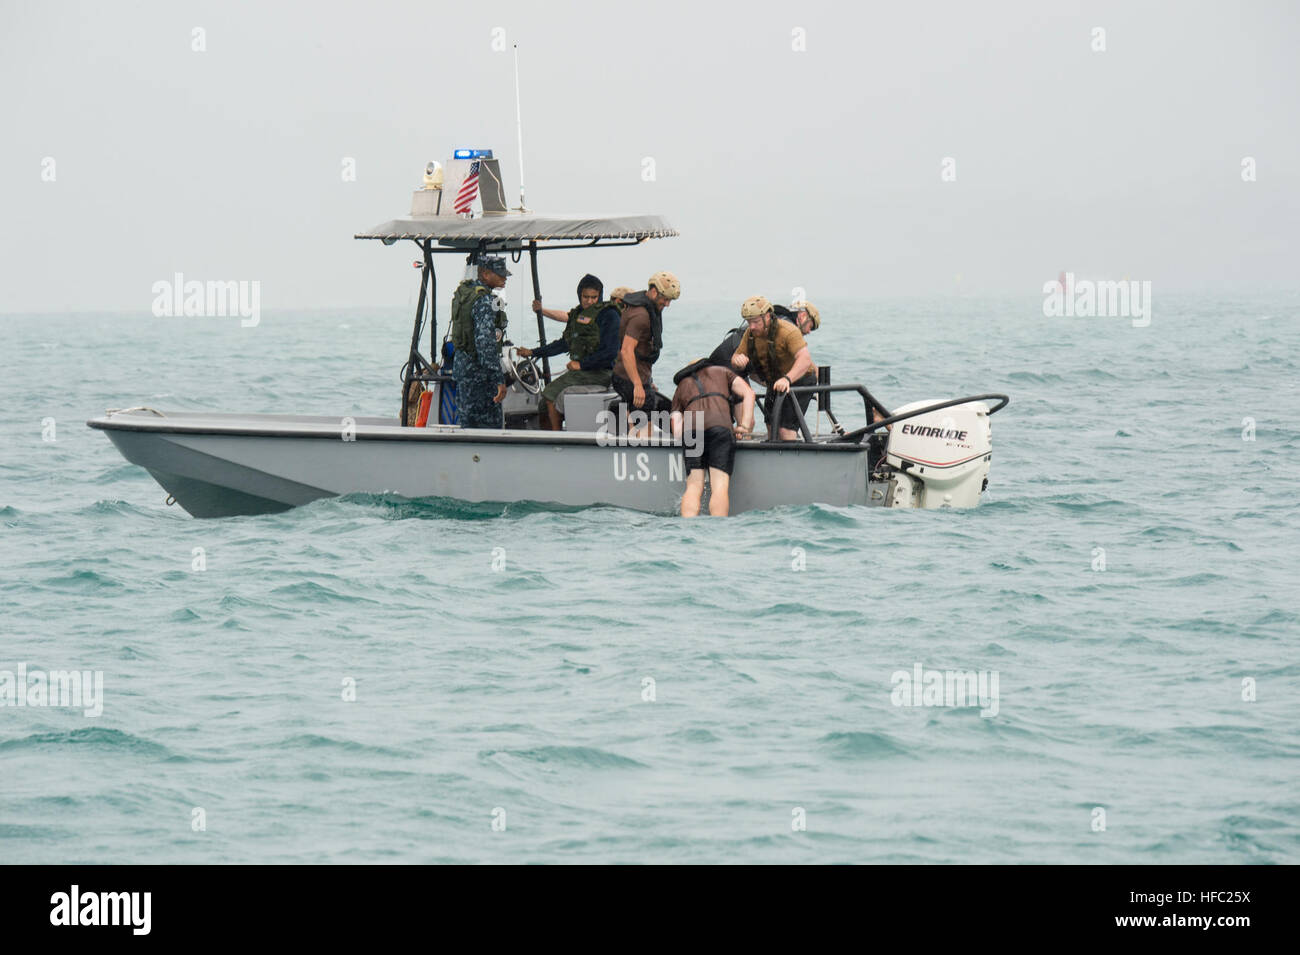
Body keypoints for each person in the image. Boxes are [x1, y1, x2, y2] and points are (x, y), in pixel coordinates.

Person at [517, 274, 620, 429]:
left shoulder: (609, 315)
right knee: (544, 404)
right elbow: (563, 344)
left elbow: (610, 352)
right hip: (582, 373)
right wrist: (533, 352)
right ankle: (544, 438)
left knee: (550, 393)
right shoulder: (577, 315)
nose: (590, 301)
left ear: (600, 296)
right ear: (580, 296)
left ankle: (558, 440)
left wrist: (581, 364)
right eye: (586, 297)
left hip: (601, 373)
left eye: (594, 297)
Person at [670, 359, 755, 517]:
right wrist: (744, 426)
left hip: (692, 430)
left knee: (694, 486)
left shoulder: (682, 386)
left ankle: (687, 526)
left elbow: (676, 428)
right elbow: (749, 393)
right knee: (720, 486)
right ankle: (718, 528)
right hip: (720, 427)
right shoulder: (723, 372)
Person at [730, 295, 819, 441]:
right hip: (776, 381)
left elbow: (805, 360)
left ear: (767, 317)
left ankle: (789, 459)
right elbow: (735, 357)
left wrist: (787, 379)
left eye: (756, 322)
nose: (751, 326)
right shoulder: (750, 334)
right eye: (748, 322)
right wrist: (737, 360)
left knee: (785, 430)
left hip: (799, 379)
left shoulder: (788, 331)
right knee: (771, 428)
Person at [611, 271, 680, 428]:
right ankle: (642, 447)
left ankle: (631, 441)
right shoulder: (641, 315)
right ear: (654, 291)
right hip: (628, 377)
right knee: (644, 415)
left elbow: (642, 349)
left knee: (634, 414)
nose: (667, 304)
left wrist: (647, 380)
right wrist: (638, 384)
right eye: (665, 299)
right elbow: (627, 351)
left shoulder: (645, 308)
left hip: (627, 373)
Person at [449, 255, 510, 429]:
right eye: (499, 274)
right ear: (485, 274)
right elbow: (485, 344)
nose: (504, 278)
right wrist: (498, 379)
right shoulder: (484, 300)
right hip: (480, 378)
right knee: (489, 432)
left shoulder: (466, 293)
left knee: (467, 426)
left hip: (463, 372)